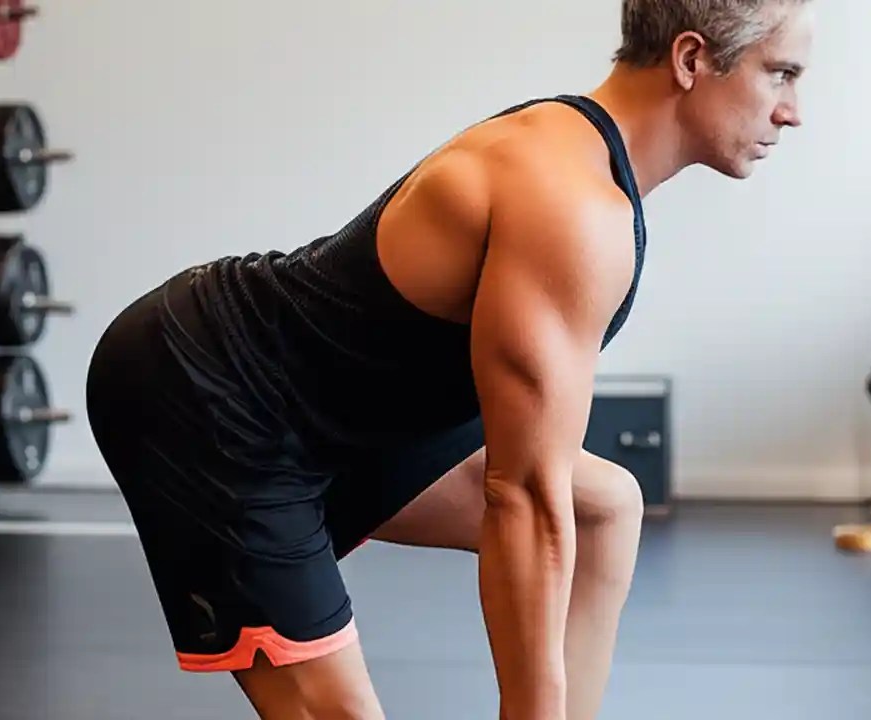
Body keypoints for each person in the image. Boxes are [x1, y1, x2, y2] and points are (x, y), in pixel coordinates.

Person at [85, 0, 813, 717]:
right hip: (211, 394)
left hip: (337, 414)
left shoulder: (581, 157)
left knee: (603, 510)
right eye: (779, 73)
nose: (792, 111)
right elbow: (521, 496)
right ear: (691, 60)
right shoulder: (572, 205)